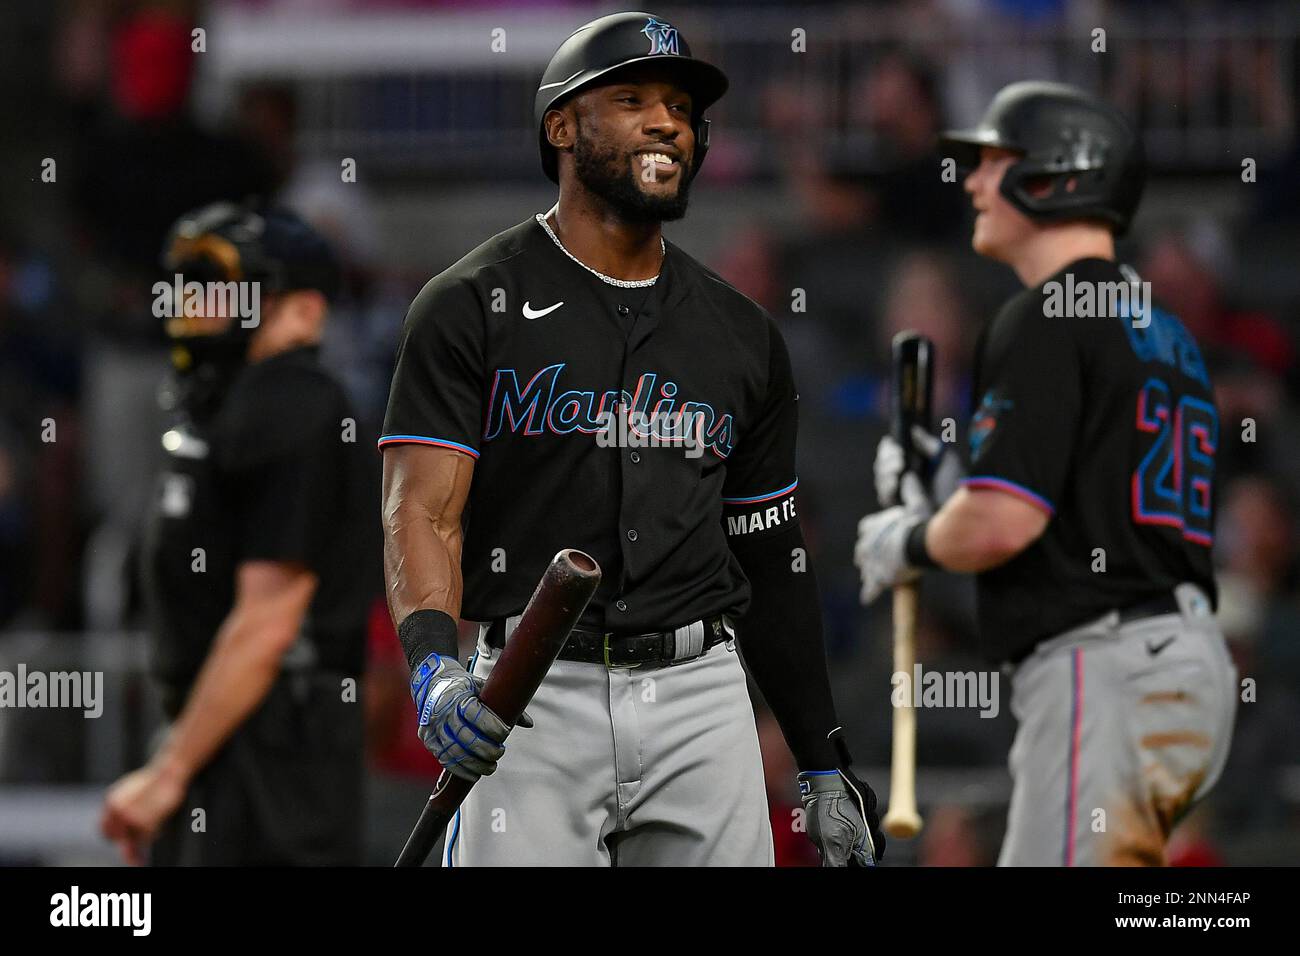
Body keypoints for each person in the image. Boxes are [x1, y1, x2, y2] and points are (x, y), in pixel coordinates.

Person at [379, 12, 884, 867]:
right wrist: (433, 669)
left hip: (702, 694)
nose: (666, 122)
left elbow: (769, 555)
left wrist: (820, 757)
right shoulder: (470, 303)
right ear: (562, 125)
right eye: (632, 99)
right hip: (533, 692)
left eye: (682, 110)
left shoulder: (742, 333)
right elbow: (420, 513)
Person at [854, 81, 1237, 866]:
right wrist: (947, 485)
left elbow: (1002, 522)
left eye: (994, 163)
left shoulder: (1046, 313)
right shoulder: (1161, 328)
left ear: (1062, 174)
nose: (972, 183)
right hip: (1182, 664)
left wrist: (911, 538)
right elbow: (1069, 496)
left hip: (1105, 669)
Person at [100, 203, 377, 865]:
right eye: (190, 288)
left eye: (224, 290)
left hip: (275, 754)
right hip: (215, 738)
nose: (197, 306)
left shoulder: (294, 401)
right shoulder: (221, 405)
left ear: (303, 311)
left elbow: (267, 623)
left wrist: (168, 773)